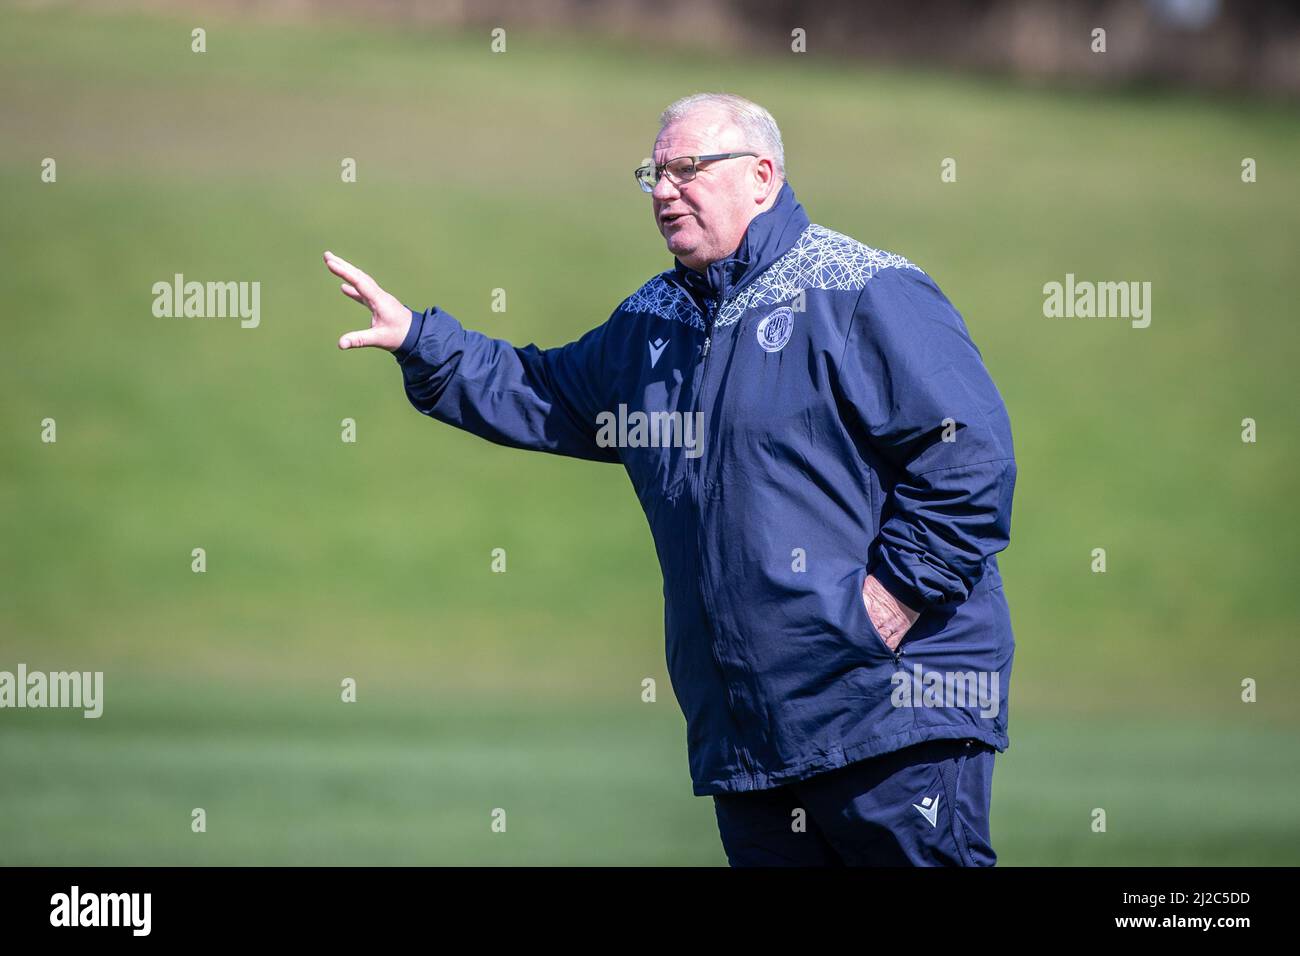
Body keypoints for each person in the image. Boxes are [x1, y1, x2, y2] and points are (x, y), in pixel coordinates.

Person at [321, 92, 1017, 866]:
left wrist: (887, 605)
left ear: (762, 175)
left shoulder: (864, 289)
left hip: (892, 712)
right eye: (653, 172)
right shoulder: (652, 322)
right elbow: (544, 392)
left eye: (686, 167)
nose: (662, 189)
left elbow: (970, 458)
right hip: (753, 736)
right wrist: (422, 339)